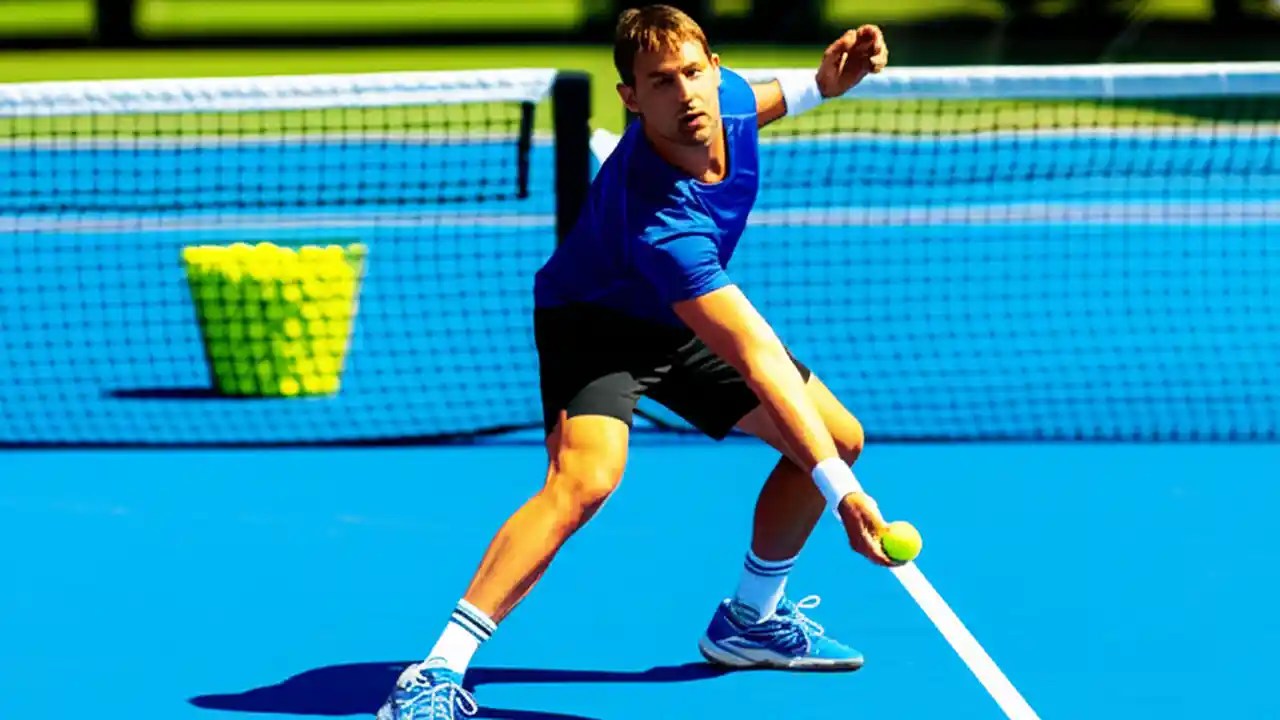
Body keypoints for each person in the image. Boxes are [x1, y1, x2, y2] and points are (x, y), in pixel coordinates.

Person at [377, 5, 891, 718]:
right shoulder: (663, 221)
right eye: (659, 83)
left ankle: (748, 621)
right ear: (631, 99)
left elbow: (755, 103)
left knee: (837, 434)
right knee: (585, 480)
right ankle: (436, 672)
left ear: (714, 68)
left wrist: (820, 86)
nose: (683, 95)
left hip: (673, 319)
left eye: (691, 73)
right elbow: (756, 358)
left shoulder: (727, 97)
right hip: (596, 323)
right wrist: (843, 497)